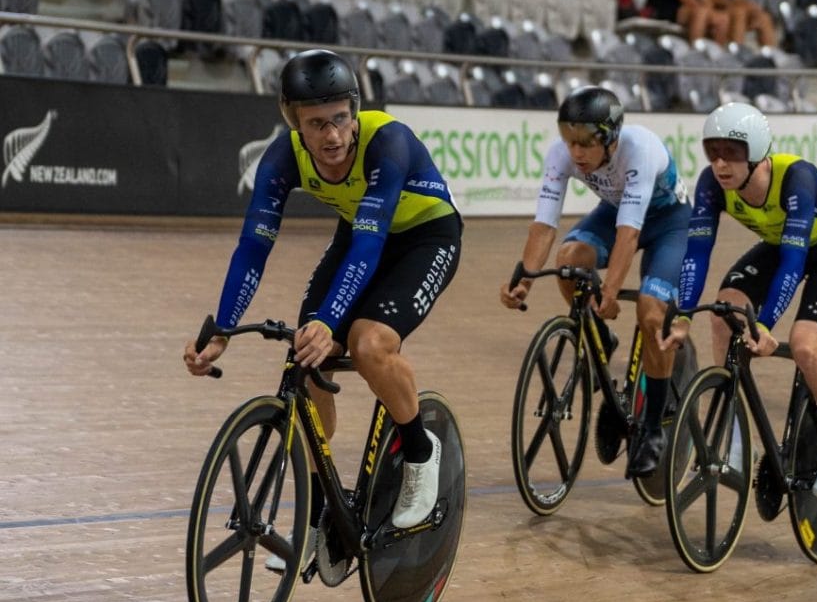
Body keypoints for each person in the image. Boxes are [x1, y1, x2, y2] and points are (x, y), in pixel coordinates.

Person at [183, 49, 463, 568]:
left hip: (425, 238)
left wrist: (331, 321)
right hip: (359, 235)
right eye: (317, 124)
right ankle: (322, 509)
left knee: (367, 341)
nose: (333, 135)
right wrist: (220, 328)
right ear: (295, 125)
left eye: (340, 118)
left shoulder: (389, 142)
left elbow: (370, 246)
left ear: (354, 112)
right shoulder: (281, 158)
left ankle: (420, 453)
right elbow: (253, 246)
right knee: (305, 359)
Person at [660, 102, 817, 498]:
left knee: (804, 346)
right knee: (723, 313)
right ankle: (736, 438)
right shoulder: (711, 184)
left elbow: (794, 260)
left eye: (731, 154)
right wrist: (683, 314)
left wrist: (767, 324)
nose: (720, 164)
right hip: (779, 246)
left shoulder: (796, 178)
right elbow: (698, 253)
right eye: (712, 152)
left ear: (756, 153)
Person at [499, 86, 692, 479]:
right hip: (616, 213)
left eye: (586, 143)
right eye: (570, 141)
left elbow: (629, 236)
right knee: (569, 262)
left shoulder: (639, 149)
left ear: (611, 137)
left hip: (670, 223)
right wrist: (525, 280)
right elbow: (544, 225)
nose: (576, 153)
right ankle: (600, 337)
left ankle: (653, 429)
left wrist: (610, 290)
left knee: (651, 314)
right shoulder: (562, 154)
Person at [646, 0, 729, 43]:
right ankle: (695, 56)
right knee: (701, 13)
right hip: (664, 6)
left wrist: (709, 11)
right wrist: (707, 12)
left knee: (722, 19)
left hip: (690, 8)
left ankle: (717, 59)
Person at [702, 0, 777, 48]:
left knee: (763, 18)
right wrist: (733, 4)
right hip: (718, 8)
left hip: (735, 6)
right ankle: (737, 50)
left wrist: (752, 9)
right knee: (739, 13)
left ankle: (770, 54)